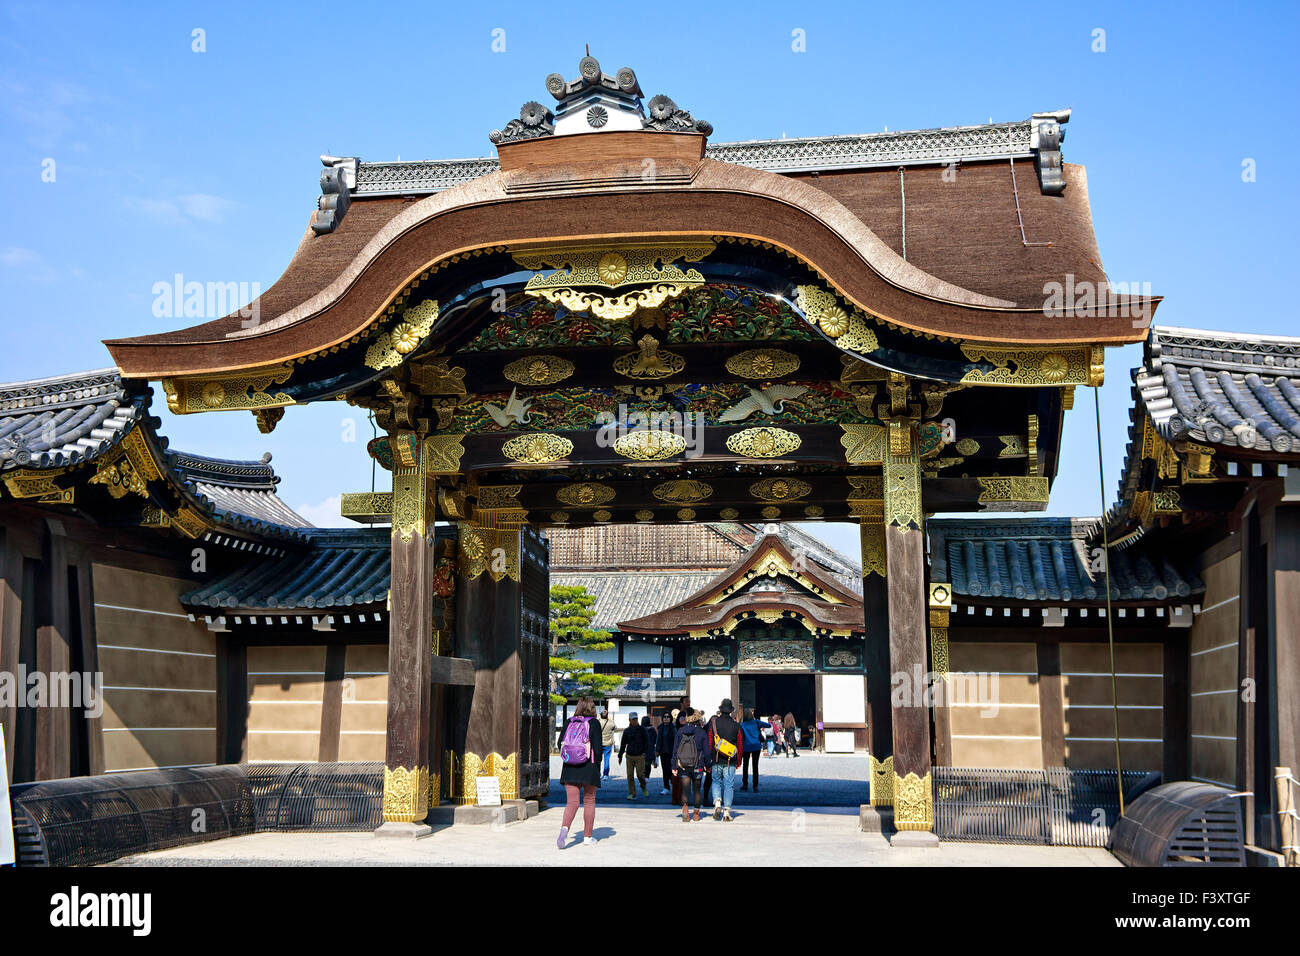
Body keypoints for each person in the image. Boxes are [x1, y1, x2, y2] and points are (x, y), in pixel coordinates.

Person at [557, 696, 601, 848]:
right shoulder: (594, 723)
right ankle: (588, 837)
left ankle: (564, 830)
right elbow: (598, 749)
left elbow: (559, 744)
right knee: (589, 802)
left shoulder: (569, 721)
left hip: (570, 767)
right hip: (589, 768)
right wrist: (598, 766)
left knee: (572, 803)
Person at [707, 699, 744, 821]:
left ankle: (717, 803)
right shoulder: (736, 726)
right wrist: (738, 761)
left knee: (716, 781)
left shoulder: (714, 724)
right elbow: (739, 744)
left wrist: (710, 759)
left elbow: (710, 742)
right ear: (731, 711)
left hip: (716, 759)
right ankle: (726, 812)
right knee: (729, 785)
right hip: (730, 761)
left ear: (721, 710)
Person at [672, 709, 711, 822]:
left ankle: (685, 810)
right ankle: (696, 814)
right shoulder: (701, 732)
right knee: (697, 789)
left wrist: (674, 766)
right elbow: (707, 752)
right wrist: (707, 765)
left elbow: (675, 750)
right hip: (698, 765)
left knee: (685, 789)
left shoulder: (680, 731)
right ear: (698, 719)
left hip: (683, 765)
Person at [617, 710, 649, 799]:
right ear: (629, 720)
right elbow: (623, 744)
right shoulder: (627, 731)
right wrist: (620, 756)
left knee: (640, 775)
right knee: (630, 776)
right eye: (633, 719)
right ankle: (632, 793)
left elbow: (647, 742)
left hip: (640, 755)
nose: (635, 721)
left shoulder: (642, 729)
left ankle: (643, 787)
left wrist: (645, 753)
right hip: (629, 755)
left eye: (636, 719)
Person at [739, 708, 770, 792]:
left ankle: (745, 784)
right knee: (755, 766)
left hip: (746, 746)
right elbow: (768, 725)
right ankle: (755, 786)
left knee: (745, 766)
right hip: (756, 746)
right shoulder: (756, 722)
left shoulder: (742, 725)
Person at [656, 711, 676, 795]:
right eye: (664, 717)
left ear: (670, 718)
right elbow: (658, 740)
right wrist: (657, 750)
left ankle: (673, 784)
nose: (666, 718)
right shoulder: (660, 727)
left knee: (671, 769)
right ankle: (666, 787)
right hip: (663, 752)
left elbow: (676, 740)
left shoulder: (673, 727)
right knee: (664, 770)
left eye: (668, 717)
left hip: (671, 752)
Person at [598, 709, 615, 777]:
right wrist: (609, 719)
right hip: (608, 744)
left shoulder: (598, 722)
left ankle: (598, 773)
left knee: (598, 759)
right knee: (606, 759)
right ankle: (605, 774)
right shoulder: (611, 723)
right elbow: (615, 727)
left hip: (599, 743)